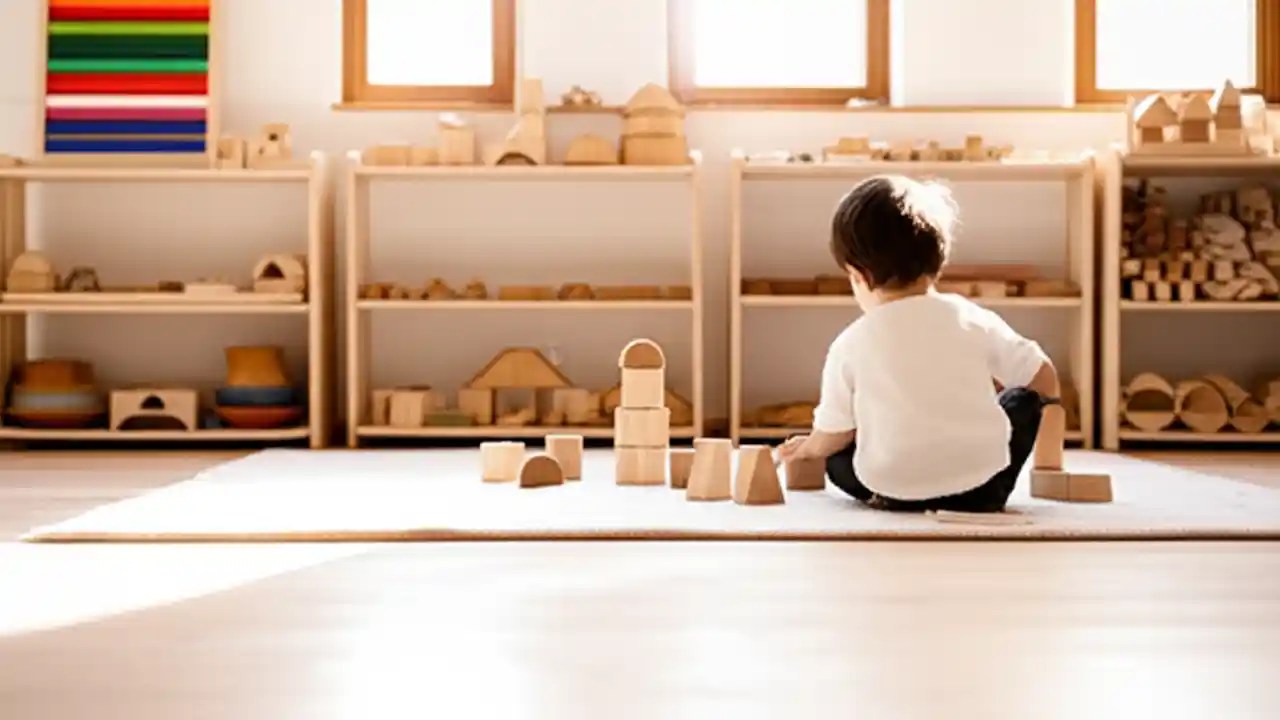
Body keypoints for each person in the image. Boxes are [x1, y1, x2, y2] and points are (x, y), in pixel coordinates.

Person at [776, 175, 1059, 513]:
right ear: (937, 260)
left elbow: (833, 434)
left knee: (837, 453)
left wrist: (808, 448)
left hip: (892, 489)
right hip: (983, 489)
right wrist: (1045, 433)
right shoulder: (971, 317)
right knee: (1023, 401)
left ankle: (885, 494)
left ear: (859, 276)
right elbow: (1042, 375)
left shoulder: (850, 342)